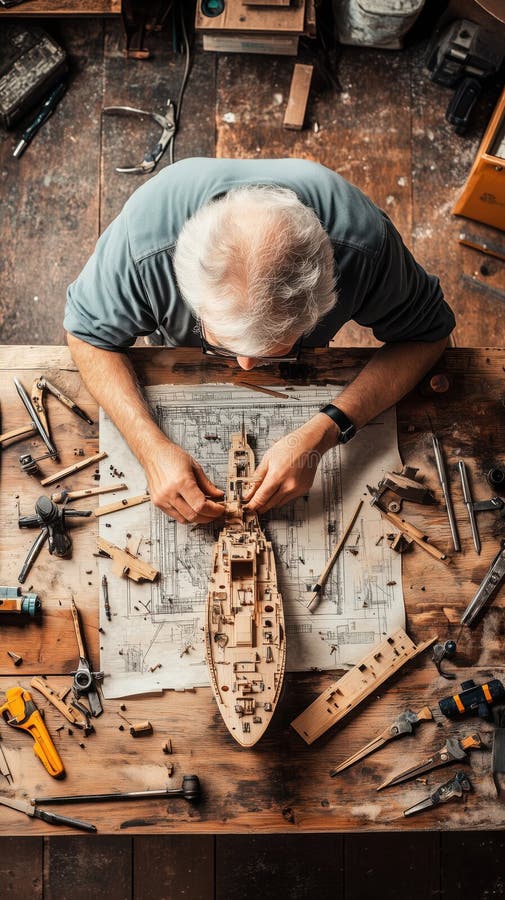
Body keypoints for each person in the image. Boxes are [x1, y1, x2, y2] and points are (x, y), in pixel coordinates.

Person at [65, 158, 455, 525]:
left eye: (275, 348)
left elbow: (428, 336)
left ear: (326, 300)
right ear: (189, 294)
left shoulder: (365, 246)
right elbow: (86, 335)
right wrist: (149, 448)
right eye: (224, 345)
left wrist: (326, 430)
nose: (245, 367)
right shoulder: (143, 244)